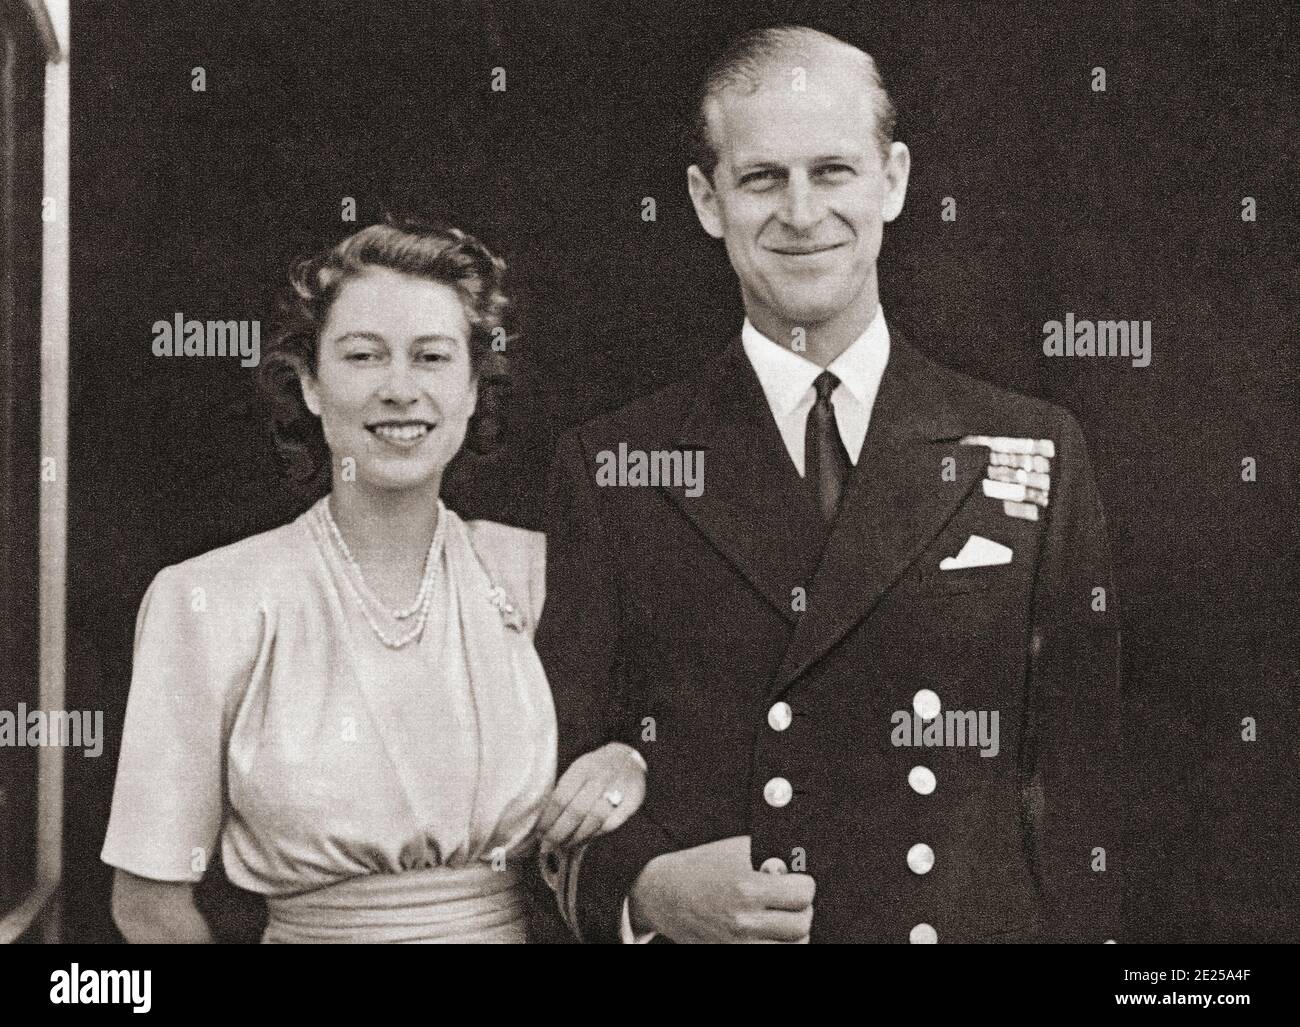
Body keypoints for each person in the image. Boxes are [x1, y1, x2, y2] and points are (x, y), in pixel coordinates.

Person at [537, 26, 1123, 943]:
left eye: (834, 171)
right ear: (706, 199)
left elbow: (1092, 786)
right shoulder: (616, 465)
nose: (802, 213)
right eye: (763, 177)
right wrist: (645, 890)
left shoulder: (1034, 445)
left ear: (891, 181)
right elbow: (549, 780)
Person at [101, 218, 645, 943]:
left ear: (475, 387)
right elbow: (148, 905)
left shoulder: (541, 573)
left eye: (431, 357)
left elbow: (680, 743)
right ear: (311, 385)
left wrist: (631, 760)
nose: (400, 389)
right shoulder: (209, 600)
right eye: (362, 356)